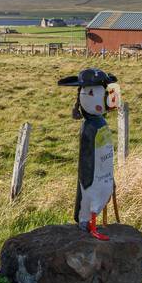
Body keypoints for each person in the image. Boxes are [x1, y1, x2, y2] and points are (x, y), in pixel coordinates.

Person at [56, 67, 119, 240]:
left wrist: (109, 174)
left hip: (104, 172)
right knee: (91, 199)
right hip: (92, 178)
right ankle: (89, 224)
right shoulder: (89, 127)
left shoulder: (101, 122)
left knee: (101, 195)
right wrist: (87, 178)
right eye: (92, 93)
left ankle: (92, 222)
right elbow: (87, 158)